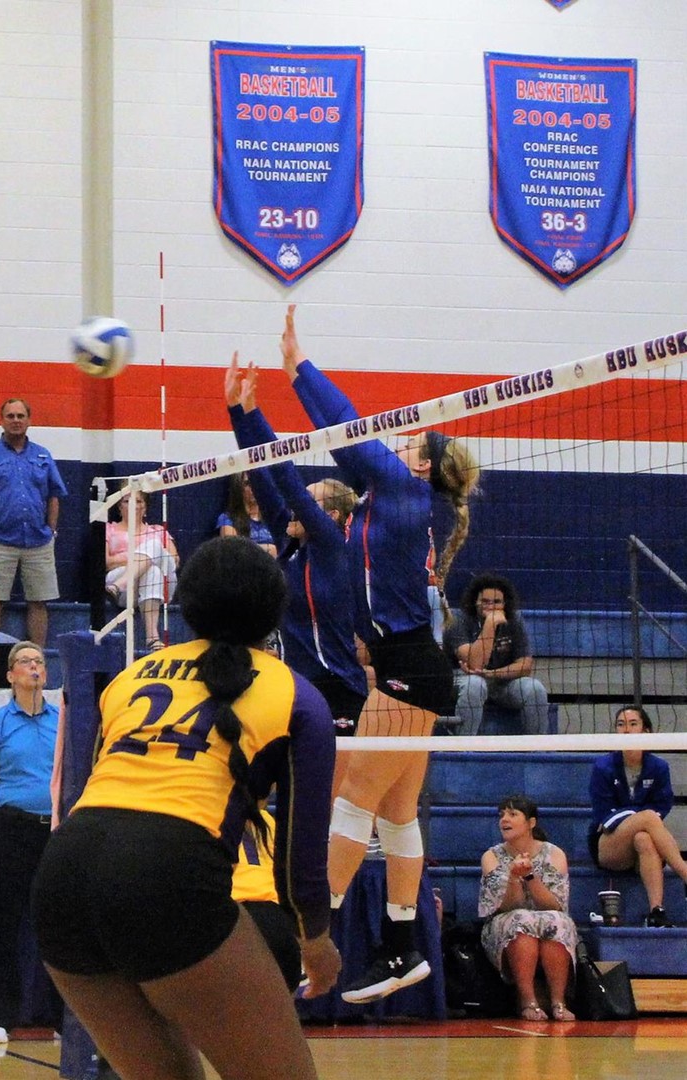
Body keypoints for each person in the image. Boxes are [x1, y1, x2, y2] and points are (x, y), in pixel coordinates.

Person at [31, 537, 339, 1080]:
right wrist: (315, 942)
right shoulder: (296, 695)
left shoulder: (128, 679)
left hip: (63, 877)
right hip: (166, 875)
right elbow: (300, 858)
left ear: (186, 604)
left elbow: (97, 789)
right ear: (274, 612)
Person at [282, 304, 480, 1004]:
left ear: (422, 464)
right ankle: (401, 947)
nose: (395, 445)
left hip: (408, 667)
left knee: (353, 798)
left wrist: (299, 369)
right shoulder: (399, 498)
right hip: (409, 664)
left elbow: (344, 426)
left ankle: (314, 940)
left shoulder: (402, 489)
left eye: (408, 442)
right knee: (395, 811)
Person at [227, 356, 368, 735]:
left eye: (309, 501)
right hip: (295, 688)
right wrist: (237, 410)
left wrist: (254, 413)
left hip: (339, 689)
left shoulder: (332, 547)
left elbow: (286, 478)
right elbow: (260, 474)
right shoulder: (290, 545)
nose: (295, 507)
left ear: (331, 516)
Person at [0, 639, 60, 1046]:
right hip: (12, 829)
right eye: (25, 661)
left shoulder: (63, 720)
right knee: (4, 924)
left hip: (55, 831)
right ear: (10, 675)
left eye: (39, 661)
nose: (34, 667)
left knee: (60, 925)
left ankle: (64, 1018)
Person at [0, 399, 69, 645]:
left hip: (39, 541)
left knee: (38, 602)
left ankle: (36, 656)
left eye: (20, 416)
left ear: (29, 420)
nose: (16, 420)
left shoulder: (43, 455)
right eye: (10, 416)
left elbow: (54, 494)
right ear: (1, 421)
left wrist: (51, 531)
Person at [477, 794, 578, 1021]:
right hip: (503, 922)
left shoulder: (554, 854)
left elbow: (556, 905)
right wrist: (514, 878)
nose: (504, 819)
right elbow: (503, 908)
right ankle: (527, 1000)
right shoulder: (491, 856)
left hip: (546, 916)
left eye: (513, 814)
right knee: (520, 919)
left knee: (557, 921)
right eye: (502, 814)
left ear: (531, 823)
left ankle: (558, 1001)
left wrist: (530, 877)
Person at [590, 705, 687, 927]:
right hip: (608, 844)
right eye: (621, 724)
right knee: (648, 818)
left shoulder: (659, 767)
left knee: (644, 838)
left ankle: (656, 912)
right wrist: (640, 815)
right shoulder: (603, 766)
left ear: (646, 731)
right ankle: (684, 872)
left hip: (641, 845)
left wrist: (639, 818)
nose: (626, 730)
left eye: (633, 724)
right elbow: (605, 815)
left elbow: (663, 804)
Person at [444, 573, 552, 736]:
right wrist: (490, 623)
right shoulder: (458, 619)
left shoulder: (514, 619)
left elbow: (525, 665)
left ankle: (537, 748)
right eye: (485, 601)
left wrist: (492, 673)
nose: (490, 606)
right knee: (475, 684)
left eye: (496, 602)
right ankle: (463, 746)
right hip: (463, 679)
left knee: (535, 689)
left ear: (505, 603)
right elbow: (475, 664)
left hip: (500, 682)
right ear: (474, 601)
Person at [105, 487, 180, 653]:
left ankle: (119, 584)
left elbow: (174, 560)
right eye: (127, 501)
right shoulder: (109, 530)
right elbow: (107, 562)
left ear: (145, 507)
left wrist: (136, 556)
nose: (133, 505)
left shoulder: (158, 531)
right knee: (152, 570)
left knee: (154, 548)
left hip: (159, 586)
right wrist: (143, 560)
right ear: (119, 507)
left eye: (138, 501)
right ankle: (152, 637)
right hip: (126, 590)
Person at [216, 473, 277, 555]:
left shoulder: (275, 516)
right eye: (247, 484)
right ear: (238, 487)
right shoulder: (228, 519)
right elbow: (231, 550)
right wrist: (269, 549)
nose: (254, 487)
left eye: (257, 482)